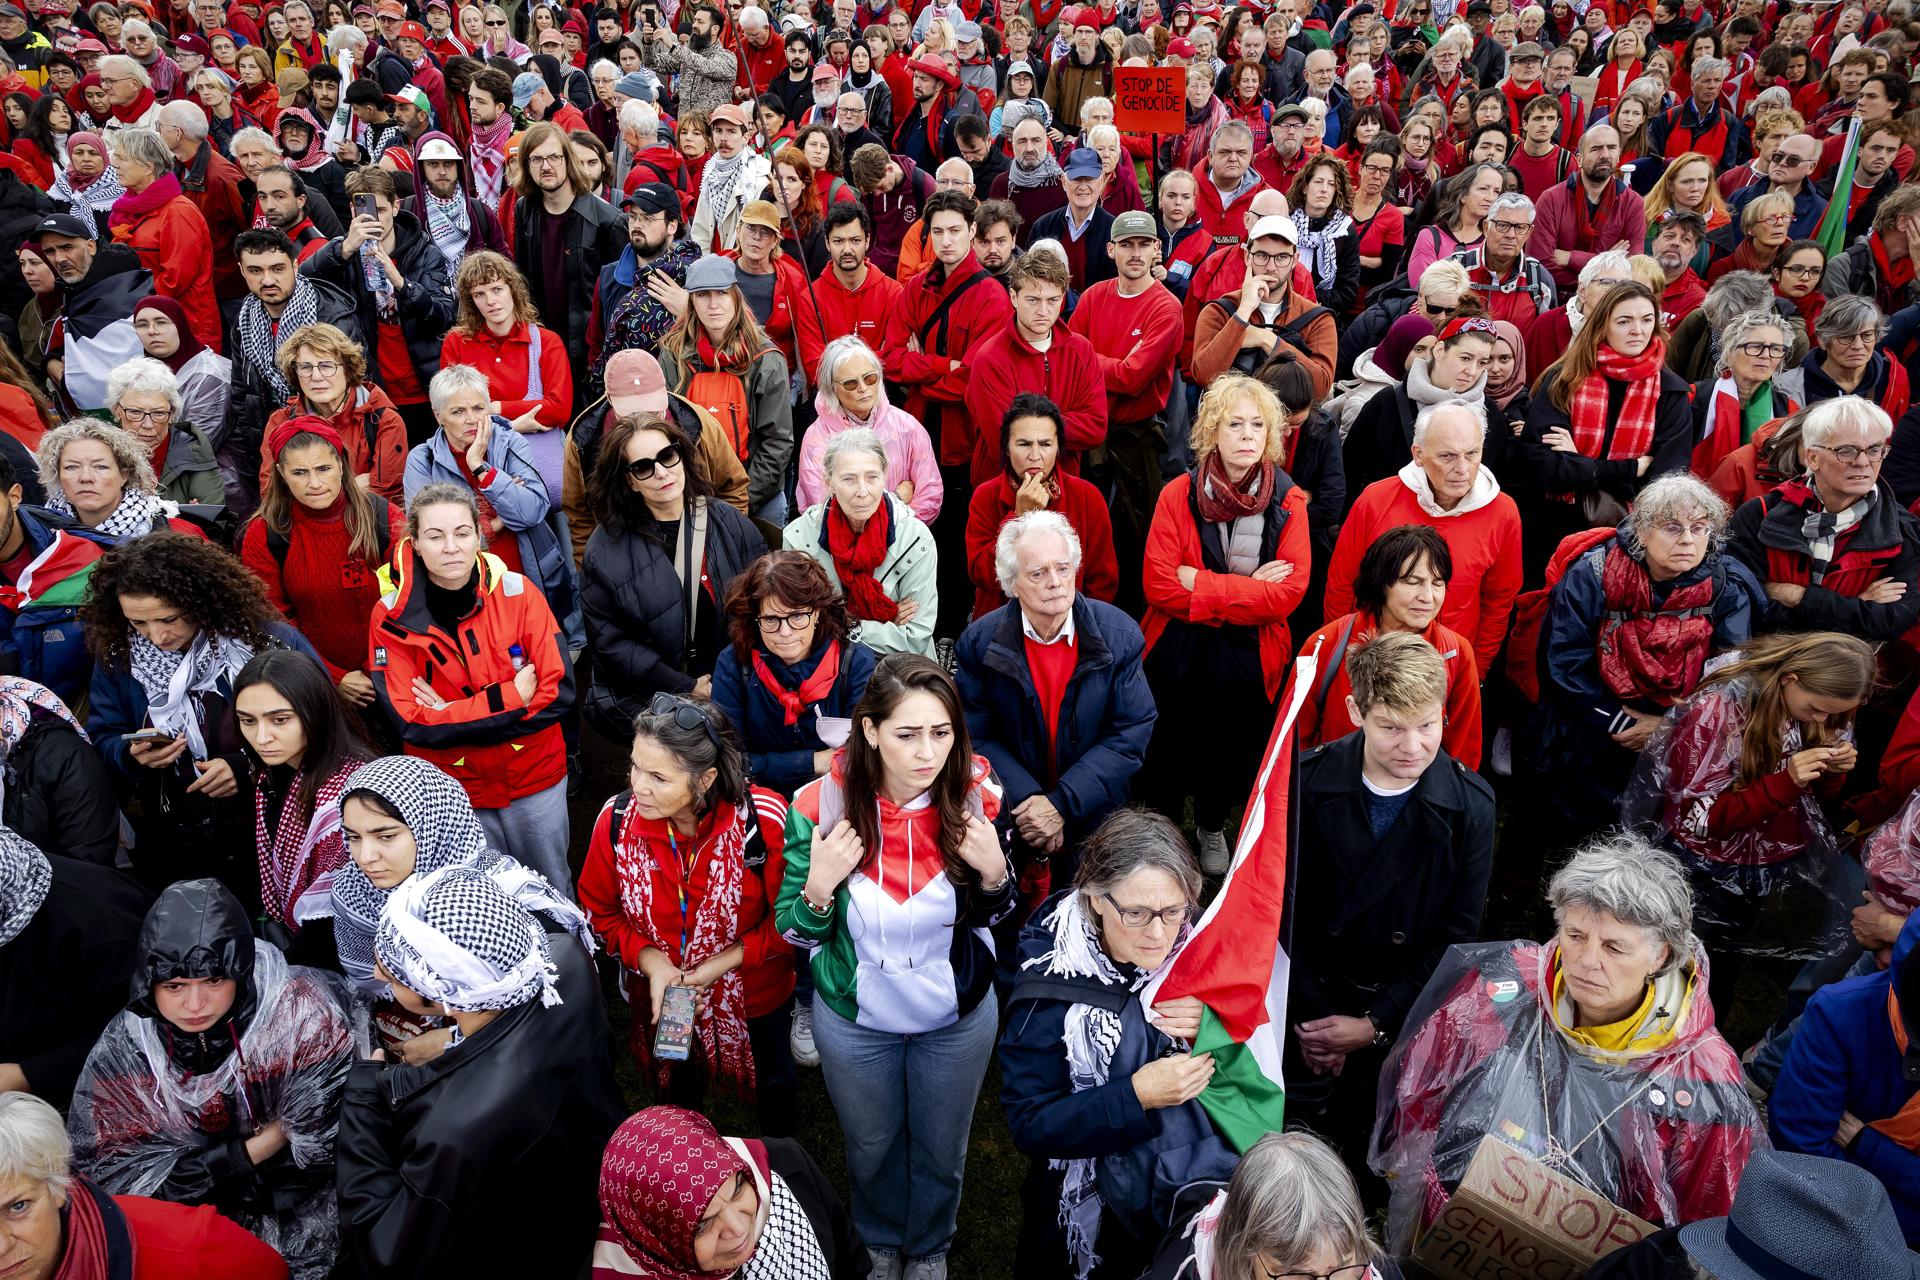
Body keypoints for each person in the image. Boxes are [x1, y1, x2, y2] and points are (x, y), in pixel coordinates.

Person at [1372, 834, 1763, 1249]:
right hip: (1452, 1233)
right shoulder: (1503, 990)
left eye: (1615, 947)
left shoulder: (1702, 1083)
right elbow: (1423, 1096)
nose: (1588, 962)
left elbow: (1704, 1226)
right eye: (1575, 936)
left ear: (1661, 956)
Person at [774, 653, 1017, 1280]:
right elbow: (794, 933)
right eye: (907, 734)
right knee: (871, 1146)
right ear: (870, 731)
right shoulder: (816, 802)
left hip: (955, 1019)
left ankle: (931, 1245)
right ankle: (879, 1239)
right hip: (854, 1022)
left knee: (943, 1149)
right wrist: (819, 886)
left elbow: (997, 917)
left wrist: (995, 874)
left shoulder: (980, 794)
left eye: (941, 733)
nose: (927, 752)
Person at [334, 865, 625, 1275]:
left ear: (438, 993)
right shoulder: (563, 961)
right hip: (590, 1174)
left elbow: (388, 1248)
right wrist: (454, 1041)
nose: (379, 973)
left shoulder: (458, 1126)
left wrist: (362, 1102)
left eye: (393, 972)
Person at [67, 877, 353, 1280]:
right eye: (175, 985)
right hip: (190, 1240)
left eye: (215, 980)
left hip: (308, 1226)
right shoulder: (129, 1049)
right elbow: (126, 1189)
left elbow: (318, 1160)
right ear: (149, 984)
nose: (195, 1005)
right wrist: (255, 1148)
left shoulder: (299, 1021)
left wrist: (206, 1172)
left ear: (241, 970)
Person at [1284, 631, 1495, 1159]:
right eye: (1391, 728)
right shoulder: (1303, 784)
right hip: (1305, 1000)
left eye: (1427, 726)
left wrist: (1373, 1025)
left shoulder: (1472, 808)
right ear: (1356, 711)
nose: (1413, 747)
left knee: (1370, 1143)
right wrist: (1316, 1024)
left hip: (1398, 1008)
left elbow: (1456, 937)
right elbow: (1279, 910)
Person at [999, 808, 1232, 1280]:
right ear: (1095, 897)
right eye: (1136, 913)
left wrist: (1216, 1020)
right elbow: (1030, 1123)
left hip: (1185, 1182)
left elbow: (1252, 1037)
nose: (1159, 934)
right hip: (1090, 1212)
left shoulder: (1198, 945)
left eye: (1172, 911)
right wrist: (1137, 1097)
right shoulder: (1047, 995)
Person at [576, 694, 796, 1131]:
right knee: (677, 1087)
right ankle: (687, 1166)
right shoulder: (617, 820)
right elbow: (599, 912)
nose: (638, 786)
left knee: (773, 1081)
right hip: (664, 993)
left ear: (706, 778)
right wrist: (652, 961)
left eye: (658, 776)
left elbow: (791, 921)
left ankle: (777, 1161)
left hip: (756, 992)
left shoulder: (764, 822)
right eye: (635, 765)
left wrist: (724, 961)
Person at [1624, 633, 1874, 993]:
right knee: (1673, 957)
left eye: (1833, 713)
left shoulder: (1822, 711)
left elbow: (1817, 798)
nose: (1823, 718)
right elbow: (1700, 820)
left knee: (1721, 965)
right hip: (1704, 866)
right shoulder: (1717, 713)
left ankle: (1703, 1031)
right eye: (1817, 708)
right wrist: (1785, 782)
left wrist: (1834, 770)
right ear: (1791, 679)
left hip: (1764, 862)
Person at [83, 532, 323, 906]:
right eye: (138, 624)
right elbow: (104, 736)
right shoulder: (118, 658)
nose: (156, 636)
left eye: (169, 618)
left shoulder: (269, 643)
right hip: (174, 837)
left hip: (270, 827)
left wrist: (248, 767)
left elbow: (322, 725)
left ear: (200, 600)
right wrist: (131, 756)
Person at [367, 481, 575, 895]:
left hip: (533, 780)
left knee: (552, 888)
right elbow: (411, 724)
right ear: (416, 542)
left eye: (462, 532)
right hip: (454, 792)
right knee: (480, 895)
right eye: (435, 535)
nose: (451, 547)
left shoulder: (519, 592)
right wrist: (510, 697)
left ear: (479, 535)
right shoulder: (388, 617)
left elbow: (559, 693)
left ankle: (572, 959)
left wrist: (449, 713)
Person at [1141, 373, 1310, 874]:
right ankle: (1164, 834)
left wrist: (1204, 584)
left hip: (1249, 653)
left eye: (1257, 425)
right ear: (1212, 431)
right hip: (1178, 646)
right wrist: (1248, 588)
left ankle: (1211, 824)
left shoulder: (1288, 500)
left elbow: (1287, 596)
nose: (1246, 435)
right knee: (1169, 745)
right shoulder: (1177, 493)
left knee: (1228, 748)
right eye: (1234, 423)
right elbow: (1159, 585)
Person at [1529, 473, 1763, 835]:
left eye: (1700, 527)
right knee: (1576, 822)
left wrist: (1669, 726)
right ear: (1641, 531)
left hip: (1679, 722)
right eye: (1672, 527)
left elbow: (1730, 675)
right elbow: (1563, 663)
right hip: (1597, 720)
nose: (1688, 539)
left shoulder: (1725, 586)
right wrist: (1620, 724)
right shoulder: (1593, 575)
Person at [578, 412, 766, 738]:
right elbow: (612, 644)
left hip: (733, 685)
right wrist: (687, 686)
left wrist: (734, 678)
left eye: (667, 456)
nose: (661, 472)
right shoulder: (606, 548)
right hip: (656, 699)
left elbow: (765, 600)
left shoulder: (727, 521)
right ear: (629, 480)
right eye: (642, 466)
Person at [241, 415, 402, 716]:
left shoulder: (382, 517)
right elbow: (273, 621)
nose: (314, 483)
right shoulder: (266, 535)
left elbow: (407, 599)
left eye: (323, 469)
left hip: (395, 670)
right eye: (300, 472)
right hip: (314, 683)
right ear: (281, 473)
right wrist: (333, 676)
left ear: (341, 465)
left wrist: (374, 667)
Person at [1727, 395, 1920, 642]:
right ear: (1813, 458)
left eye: (1874, 450)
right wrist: (1855, 606)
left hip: (1849, 668)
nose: (1863, 463)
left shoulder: (1901, 529)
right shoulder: (1760, 515)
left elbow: (1891, 622)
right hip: (1767, 659)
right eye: (1846, 451)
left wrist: (1800, 597)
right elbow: (1745, 605)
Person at [594, 1104, 867, 1278]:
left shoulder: (784, 1163)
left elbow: (848, 1257)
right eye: (703, 1225)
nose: (738, 1228)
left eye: (737, 1190)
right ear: (654, 1240)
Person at [1291, 524, 1482, 764]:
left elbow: (1463, 749)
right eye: (1413, 581)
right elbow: (1294, 739)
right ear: (1381, 583)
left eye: (1438, 582)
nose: (1428, 597)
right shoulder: (1326, 644)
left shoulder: (1456, 653)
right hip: (1331, 789)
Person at [1522, 281, 1692, 547]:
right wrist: (1630, 469)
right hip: (1555, 527)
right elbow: (1543, 467)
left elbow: (1663, 485)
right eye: (1624, 321)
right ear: (1603, 325)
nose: (1638, 330)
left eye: (1647, 320)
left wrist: (1579, 460)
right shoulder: (1564, 379)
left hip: (1628, 534)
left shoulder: (1671, 393)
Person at [403, 364, 576, 624]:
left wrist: (480, 467)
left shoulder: (511, 443)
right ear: (438, 415)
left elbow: (532, 511)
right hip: (464, 588)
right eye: (458, 411)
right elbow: (429, 537)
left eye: (479, 408)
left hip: (526, 578)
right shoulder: (422, 459)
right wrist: (498, 521)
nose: (471, 419)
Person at [297, 164, 455, 445]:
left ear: (395, 207)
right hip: (373, 390)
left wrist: (402, 284)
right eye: (366, 211)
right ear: (353, 210)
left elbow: (443, 316)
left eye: (381, 210)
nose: (375, 220)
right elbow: (305, 280)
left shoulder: (424, 253)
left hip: (424, 387)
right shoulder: (345, 252)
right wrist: (345, 247)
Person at [232, 649, 370, 961]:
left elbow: (334, 913)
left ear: (315, 712)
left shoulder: (351, 796)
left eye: (279, 720)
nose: (262, 737)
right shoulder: (271, 776)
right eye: (247, 721)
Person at [711, 549, 878, 798]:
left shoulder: (855, 663)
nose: (785, 632)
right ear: (754, 618)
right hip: (758, 800)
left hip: (835, 796)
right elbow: (729, 761)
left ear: (818, 611)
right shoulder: (734, 664)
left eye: (797, 616)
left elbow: (863, 754)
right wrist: (812, 762)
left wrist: (769, 764)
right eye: (771, 620)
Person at [1146, 1130, 1398, 1280]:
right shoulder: (1180, 1271)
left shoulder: (1372, 1267)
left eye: (1340, 1269)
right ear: (1242, 1247)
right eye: (1299, 1276)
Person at [656, 254, 794, 521]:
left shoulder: (766, 359)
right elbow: (665, 431)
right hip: (690, 492)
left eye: (721, 293)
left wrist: (739, 501)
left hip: (756, 493)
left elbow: (776, 442)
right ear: (692, 302)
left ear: (735, 296)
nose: (713, 304)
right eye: (702, 295)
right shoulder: (673, 355)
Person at [784, 428, 938, 660]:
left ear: (885, 475)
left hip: (900, 670)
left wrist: (836, 623)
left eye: (872, 477)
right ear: (829, 481)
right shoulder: (799, 537)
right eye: (848, 479)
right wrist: (885, 623)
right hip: (824, 665)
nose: (863, 492)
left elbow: (913, 637)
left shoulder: (916, 538)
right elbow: (798, 627)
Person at [964, 394, 1118, 622]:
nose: (1035, 456)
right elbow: (983, 575)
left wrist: (1080, 628)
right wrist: (1018, 516)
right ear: (1006, 448)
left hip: (1071, 624)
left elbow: (1103, 582)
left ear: (1058, 448)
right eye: (1023, 444)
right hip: (1002, 623)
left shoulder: (1086, 496)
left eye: (1045, 444)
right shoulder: (986, 496)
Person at [964, 249, 1108, 487]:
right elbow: (1002, 440)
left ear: (1063, 298)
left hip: (1066, 486)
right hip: (1003, 488)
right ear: (1013, 297)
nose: (1043, 311)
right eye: (1033, 300)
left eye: (1052, 300)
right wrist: (1063, 428)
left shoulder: (1081, 350)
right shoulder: (989, 358)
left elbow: (1095, 427)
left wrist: (1028, 428)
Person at [439, 250, 574, 504]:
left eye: (497, 289)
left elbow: (559, 409)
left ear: (513, 289)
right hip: (479, 462)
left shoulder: (546, 341)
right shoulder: (456, 343)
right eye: (480, 294)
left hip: (542, 468)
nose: (491, 301)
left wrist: (494, 409)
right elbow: (451, 414)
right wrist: (513, 425)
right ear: (471, 301)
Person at [1341, 313, 1500, 505]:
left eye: (1482, 362)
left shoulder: (1490, 414)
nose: (1473, 371)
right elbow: (1350, 471)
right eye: (1465, 358)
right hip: (1391, 523)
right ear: (1439, 350)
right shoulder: (1387, 403)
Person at [510, 121, 626, 384]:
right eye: (536, 159)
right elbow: (522, 277)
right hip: (541, 344)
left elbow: (618, 300)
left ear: (567, 159)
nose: (546, 166)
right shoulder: (524, 210)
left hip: (587, 353)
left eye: (553, 157)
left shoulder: (609, 220)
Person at [257, 321, 409, 505]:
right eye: (305, 367)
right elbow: (272, 496)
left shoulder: (383, 419)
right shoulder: (280, 422)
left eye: (326, 366)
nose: (316, 376)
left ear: (348, 369)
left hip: (366, 527)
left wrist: (309, 495)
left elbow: (385, 497)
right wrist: (353, 486)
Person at [103, 127, 222, 357]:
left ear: (148, 167)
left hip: (184, 329)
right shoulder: (130, 208)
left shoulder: (178, 212)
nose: (114, 164)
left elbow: (174, 280)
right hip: (149, 325)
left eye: (121, 158)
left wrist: (126, 301)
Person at [1191, 214, 1337, 396]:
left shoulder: (1317, 318)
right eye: (1262, 255)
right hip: (1230, 419)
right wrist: (1243, 312)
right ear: (1247, 257)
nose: (1271, 266)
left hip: (1288, 422)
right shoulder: (1218, 310)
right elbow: (1204, 377)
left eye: (1282, 257)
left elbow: (1320, 388)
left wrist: (1267, 340)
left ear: (1295, 260)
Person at [798, 337, 939, 524]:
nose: (863, 388)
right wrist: (896, 499)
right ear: (832, 388)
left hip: (901, 546)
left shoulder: (907, 427)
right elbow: (822, 510)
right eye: (850, 383)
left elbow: (930, 495)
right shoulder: (817, 439)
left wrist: (893, 536)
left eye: (870, 378)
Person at [102, 358, 223, 513]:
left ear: (172, 413)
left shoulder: (194, 450)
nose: (147, 424)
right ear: (116, 411)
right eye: (135, 412)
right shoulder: (100, 451)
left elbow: (211, 520)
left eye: (158, 413)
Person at [1689, 309, 1797, 478]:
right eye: (1755, 346)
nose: (1766, 355)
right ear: (1730, 353)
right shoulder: (1693, 398)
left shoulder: (1788, 410)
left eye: (1776, 349)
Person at [1779, 296, 1911, 420]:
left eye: (1867, 335)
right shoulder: (1788, 387)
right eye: (1846, 337)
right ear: (1822, 340)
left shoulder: (1893, 379)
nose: (1858, 345)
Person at [131, 296, 232, 454]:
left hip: (214, 473)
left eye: (161, 322)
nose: (152, 331)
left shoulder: (211, 377)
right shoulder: (139, 370)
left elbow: (197, 446)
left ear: (180, 325)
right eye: (142, 325)